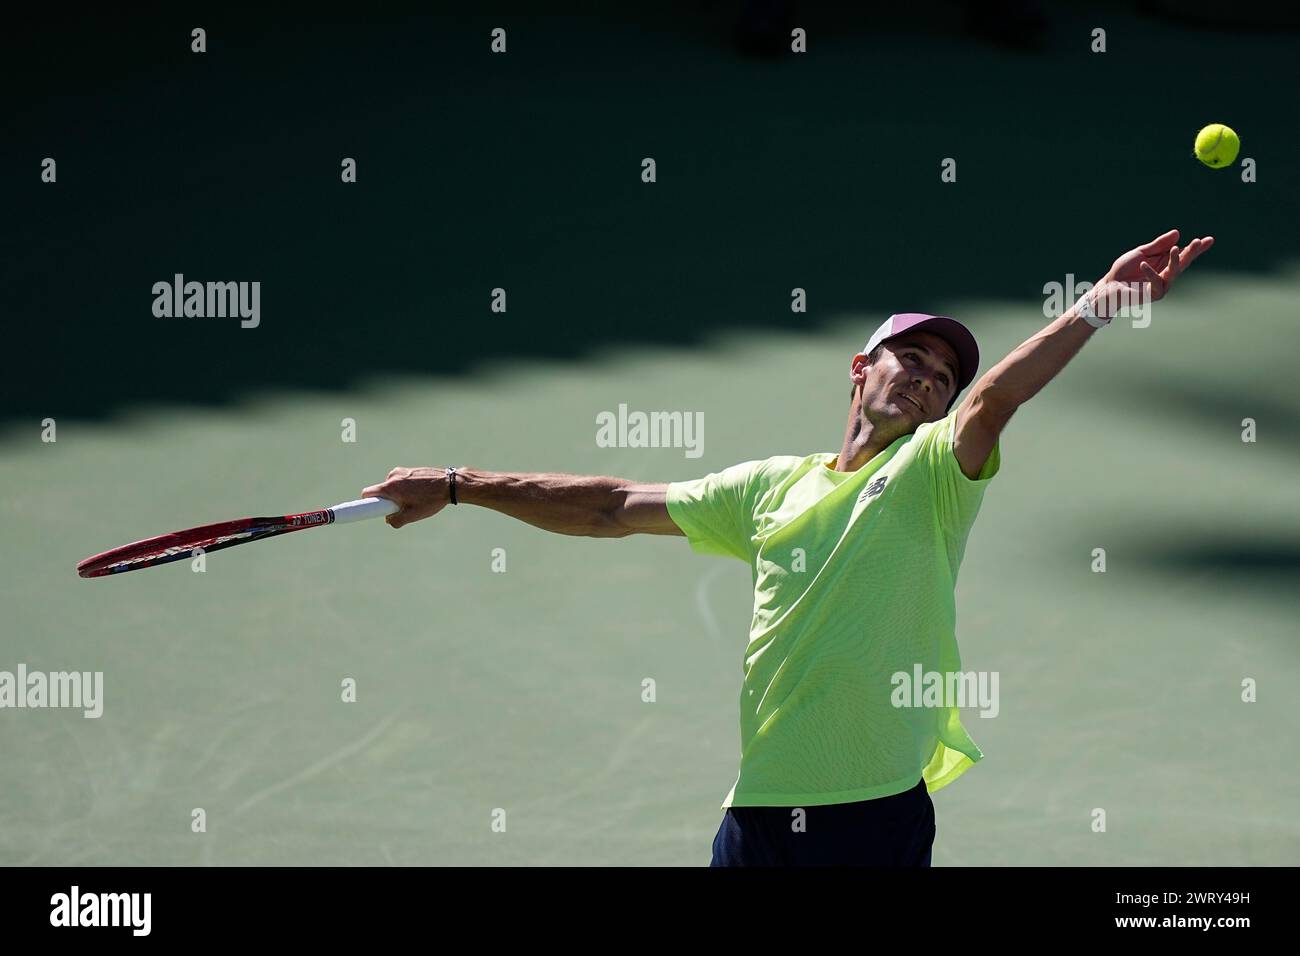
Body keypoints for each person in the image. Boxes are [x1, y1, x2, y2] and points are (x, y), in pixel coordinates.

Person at [363, 229, 1212, 866]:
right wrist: (457, 483)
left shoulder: (936, 470)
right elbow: (612, 506)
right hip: (761, 811)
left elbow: (993, 402)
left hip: (874, 812)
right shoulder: (769, 487)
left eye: (941, 377)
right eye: (908, 357)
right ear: (860, 367)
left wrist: (1098, 302)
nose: (925, 377)